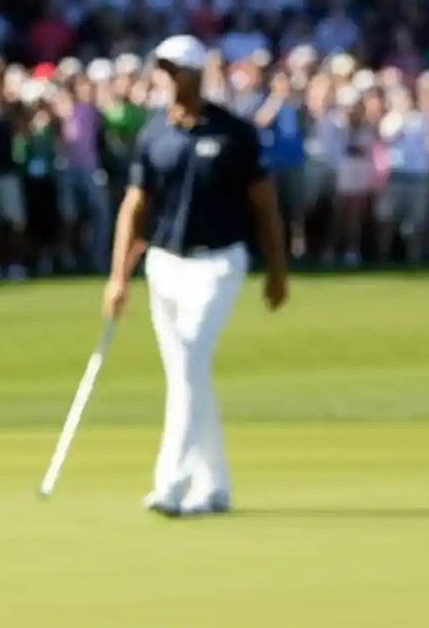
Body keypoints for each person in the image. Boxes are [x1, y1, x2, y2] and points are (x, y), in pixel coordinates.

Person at [102, 35, 289, 518]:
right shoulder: (153, 134)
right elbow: (134, 206)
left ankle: (171, 482)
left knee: (188, 362)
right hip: (164, 265)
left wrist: (277, 269)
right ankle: (216, 485)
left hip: (220, 262)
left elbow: (265, 206)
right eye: (161, 69)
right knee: (189, 373)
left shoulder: (236, 134)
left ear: (195, 74)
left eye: (173, 70)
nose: (163, 78)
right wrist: (118, 275)